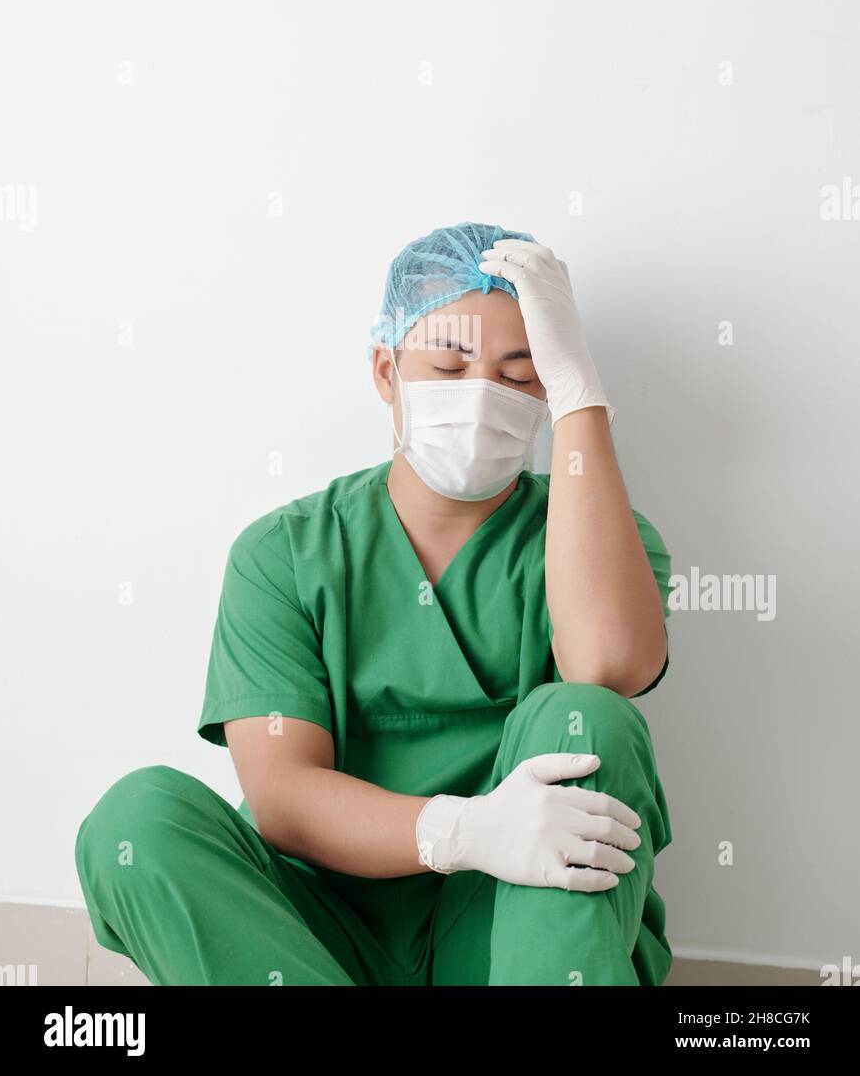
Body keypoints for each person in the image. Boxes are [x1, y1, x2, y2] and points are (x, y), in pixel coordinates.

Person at [74, 221, 673, 986]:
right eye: (449, 366)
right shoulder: (285, 554)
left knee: (589, 717)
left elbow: (609, 663)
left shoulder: (599, 537)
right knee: (134, 820)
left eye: (523, 377)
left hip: (511, 930)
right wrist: (463, 830)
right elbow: (284, 797)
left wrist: (582, 400)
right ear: (386, 370)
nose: (484, 397)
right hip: (318, 941)